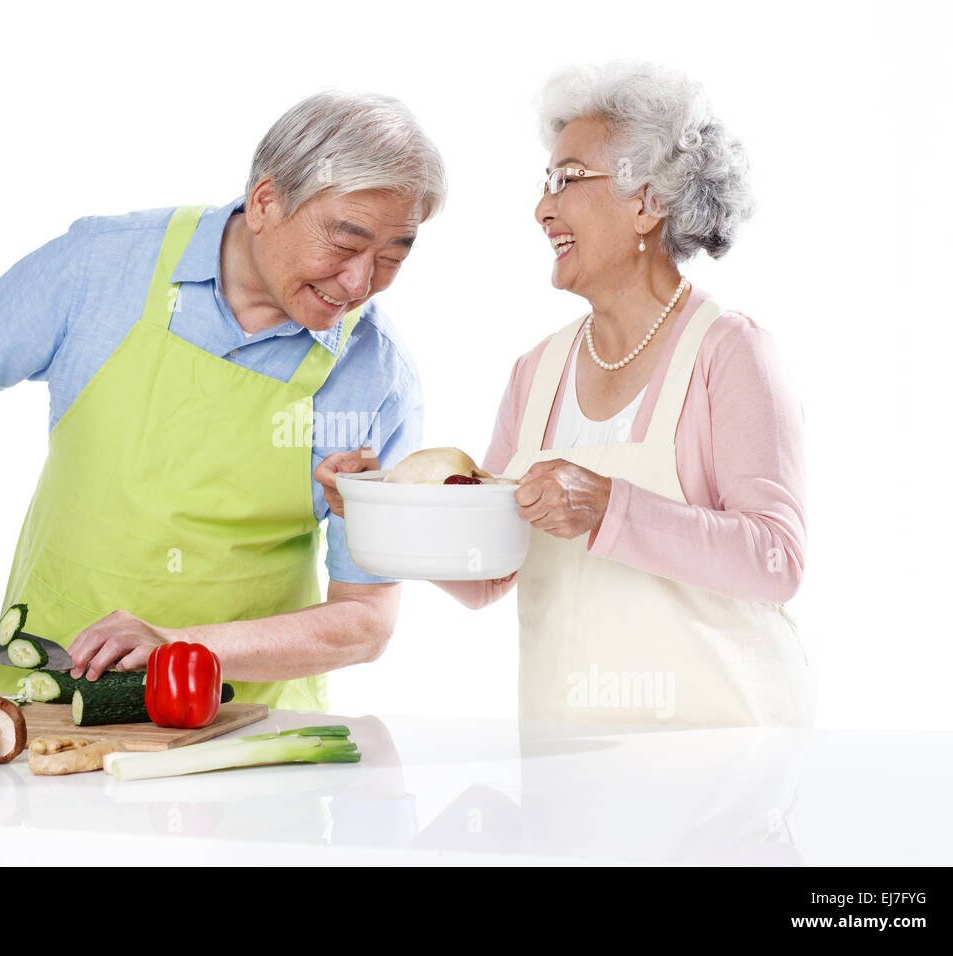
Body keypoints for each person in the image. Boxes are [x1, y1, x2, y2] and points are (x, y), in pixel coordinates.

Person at [0, 91, 445, 710]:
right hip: (49, 699)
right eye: (345, 245)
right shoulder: (103, 268)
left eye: (389, 258)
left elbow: (365, 620)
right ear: (266, 201)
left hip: (246, 727)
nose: (359, 284)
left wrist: (180, 645)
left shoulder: (375, 372)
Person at [319, 62, 814, 728]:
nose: (542, 208)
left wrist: (610, 506)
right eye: (544, 184)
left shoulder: (730, 352)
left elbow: (777, 561)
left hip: (717, 771)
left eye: (566, 179)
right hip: (568, 767)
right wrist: (379, 507)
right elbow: (488, 573)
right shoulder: (537, 372)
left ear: (649, 199)